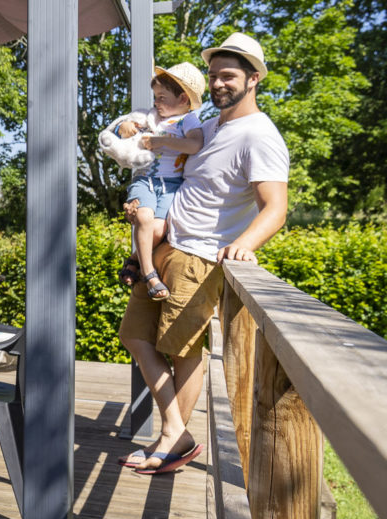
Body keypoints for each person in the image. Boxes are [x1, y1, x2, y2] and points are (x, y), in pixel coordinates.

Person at [118, 33, 289, 474]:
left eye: (228, 76)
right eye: (213, 75)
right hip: (166, 247)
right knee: (134, 335)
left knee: (183, 350)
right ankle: (177, 432)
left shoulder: (260, 135)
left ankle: (170, 440)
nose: (217, 83)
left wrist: (244, 245)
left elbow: (276, 208)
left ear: (253, 79)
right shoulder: (208, 126)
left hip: (199, 258)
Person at [103, 61, 207, 300]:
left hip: (171, 185)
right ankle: (149, 273)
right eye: (155, 97)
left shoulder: (187, 121)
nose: (156, 103)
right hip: (145, 180)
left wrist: (161, 142)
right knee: (143, 217)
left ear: (183, 99)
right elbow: (120, 128)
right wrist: (123, 127)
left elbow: (194, 144)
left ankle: (133, 260)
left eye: (162, 97)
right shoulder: (150, 116)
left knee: (158, 230)